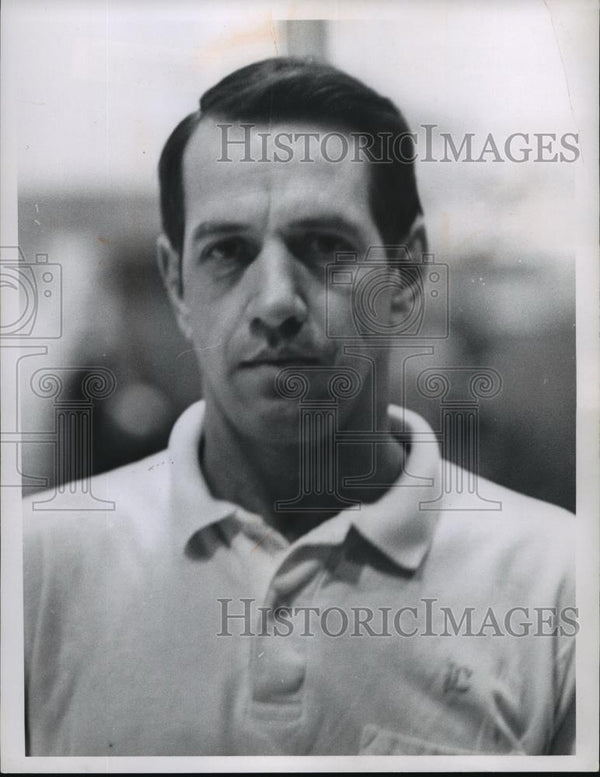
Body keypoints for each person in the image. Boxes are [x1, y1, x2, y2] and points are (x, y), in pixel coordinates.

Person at [23, 57, 575, 756]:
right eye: (228, 251)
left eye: (324, 246)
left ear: (405, 276)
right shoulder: (35, 567)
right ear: (177, 285)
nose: (276, 300)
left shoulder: (557, 582)